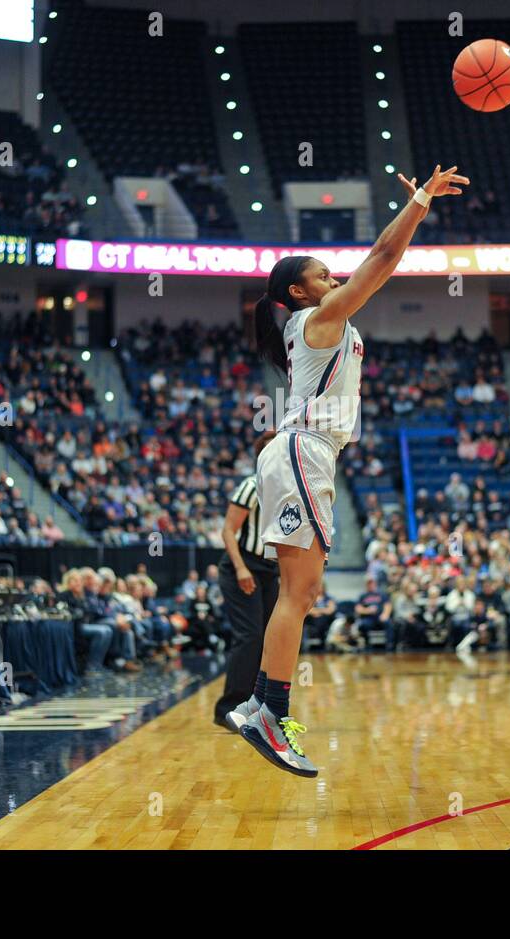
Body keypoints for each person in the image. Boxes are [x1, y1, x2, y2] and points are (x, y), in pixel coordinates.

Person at [233, 163, 468, 777]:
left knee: (302, 593)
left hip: (305, 452)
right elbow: (383, 259)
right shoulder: (315, 320)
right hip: (302, 450)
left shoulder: (318, 321)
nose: (332, 277)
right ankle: (268, 712)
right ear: (299, 295)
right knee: (301, 593)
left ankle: (263, 703)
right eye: (321, 275)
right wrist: (419, 202)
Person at [214, 432, 281, 730]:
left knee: (270, 638)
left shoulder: (285, 490)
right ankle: (228, 709)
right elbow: (228, 531)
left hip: (269, 569)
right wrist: (242, 569)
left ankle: (258, 706)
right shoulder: (251, 486)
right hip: (241, 565)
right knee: (250, 636)